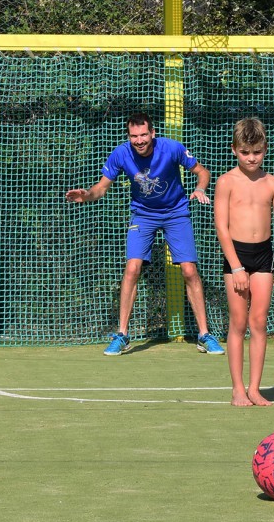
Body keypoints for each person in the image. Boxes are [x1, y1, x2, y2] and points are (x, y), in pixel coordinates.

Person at [65, 113, 225, 356]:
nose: (139, 140)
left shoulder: (172, 148)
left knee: (189, 270)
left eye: (143, 135)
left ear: (152, 133)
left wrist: (200, 188)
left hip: (176, 212)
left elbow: (203, 172)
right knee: (132, 268)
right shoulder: (120, 154)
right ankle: (122, 335)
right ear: (128, 136)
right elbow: (100, 188)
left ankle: (204, 335)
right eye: (134, 136)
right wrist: (86, 195)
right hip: (143, 215)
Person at [213, 118, 274, 406]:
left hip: (264, 256)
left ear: (265, 149)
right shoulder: (226, 181)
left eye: (257, 152)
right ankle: (237, 388)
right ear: (235, 150)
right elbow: (221, 227)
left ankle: (255, 388)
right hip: (237, 255)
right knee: (238, 322)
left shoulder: (273, 183)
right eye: (245, 152)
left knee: (258, 322)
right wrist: (235, 267)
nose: (251, 158)